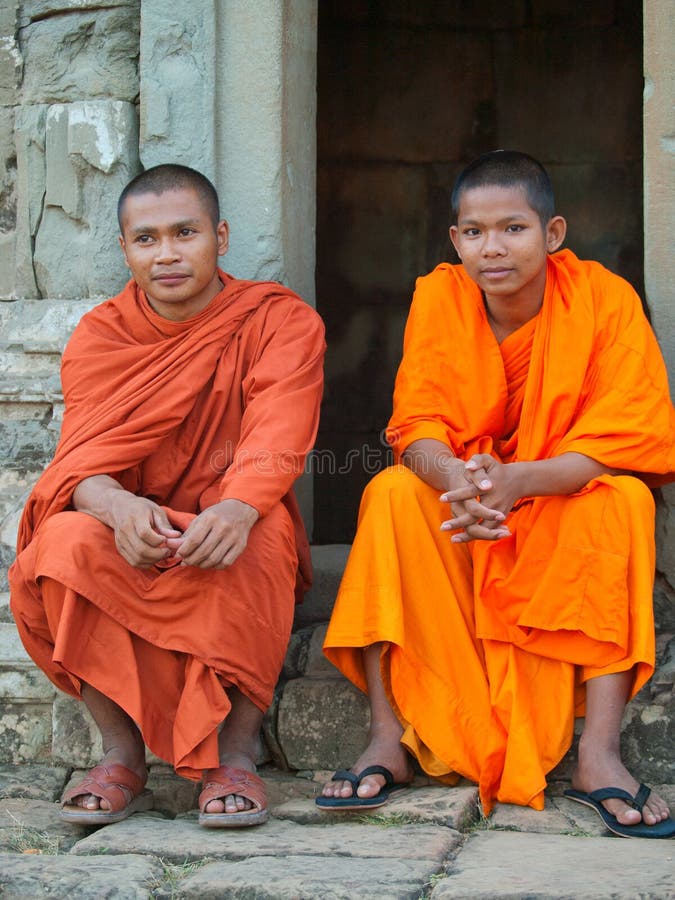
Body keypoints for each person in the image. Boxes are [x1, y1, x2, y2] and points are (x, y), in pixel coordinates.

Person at [317, 150, 675, 839]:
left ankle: (597, 756)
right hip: (470, 498)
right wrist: (461, 484)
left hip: (556, 490)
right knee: (392, 493)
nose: (492, 247)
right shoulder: (440, 297)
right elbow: (415, 426)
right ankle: (386, 736)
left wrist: (516, 483)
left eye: (512, 228)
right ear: (455, 241)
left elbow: (629, 431)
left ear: (553, 233)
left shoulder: (604, 300)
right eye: (474, 232)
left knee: (623, 501)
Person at [10, 164, 325, 828]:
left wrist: (239, 506)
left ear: (221, 236)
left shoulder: (277, 320)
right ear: (125, 250)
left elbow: (280, 426)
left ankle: (233, 753)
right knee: (61, 540)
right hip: (137, 524)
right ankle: (120, 753)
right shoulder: (102, 335)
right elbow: (80, 464)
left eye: (185, 233)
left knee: (263, 536)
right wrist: (116, 507)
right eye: (147, 239)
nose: (168, 254)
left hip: (229, 510)